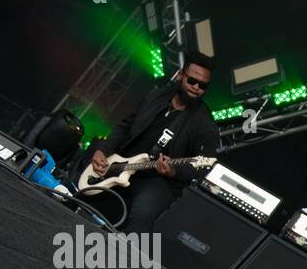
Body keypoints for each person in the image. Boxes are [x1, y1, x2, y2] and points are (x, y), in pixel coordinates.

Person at [87, 51, 220, 235]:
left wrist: (173, 170)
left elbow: (204, 165)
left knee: (143, 214)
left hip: (157, 180)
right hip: (122, 164)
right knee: (85, 194)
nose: (196, 87)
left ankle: (126, 258)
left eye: (203, 85)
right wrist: (103, 150)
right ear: (181, 75)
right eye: (192, 81)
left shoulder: (205, 124)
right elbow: (126, 126)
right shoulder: (156, 96)